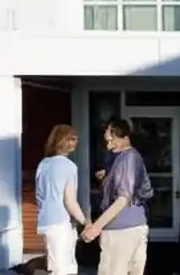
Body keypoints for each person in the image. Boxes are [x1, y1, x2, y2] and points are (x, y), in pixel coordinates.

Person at [82, 118, 153, 275]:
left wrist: (95, 227)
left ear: (121, 135)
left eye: (110, 138)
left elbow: (123, 198)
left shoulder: (128, 157)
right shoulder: (127, 158)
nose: (108, 143)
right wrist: (107, 178)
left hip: (121, 230)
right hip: (134, 226)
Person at [35, 125, 90, 275]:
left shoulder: (43, 164)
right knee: (65, 268)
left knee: (55, 266)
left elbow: (39, 196)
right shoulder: (69, 166)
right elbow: (70, 201)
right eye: (72, 139)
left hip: (46, 222)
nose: (75, 142)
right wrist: (85, 222)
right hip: (61, 222)